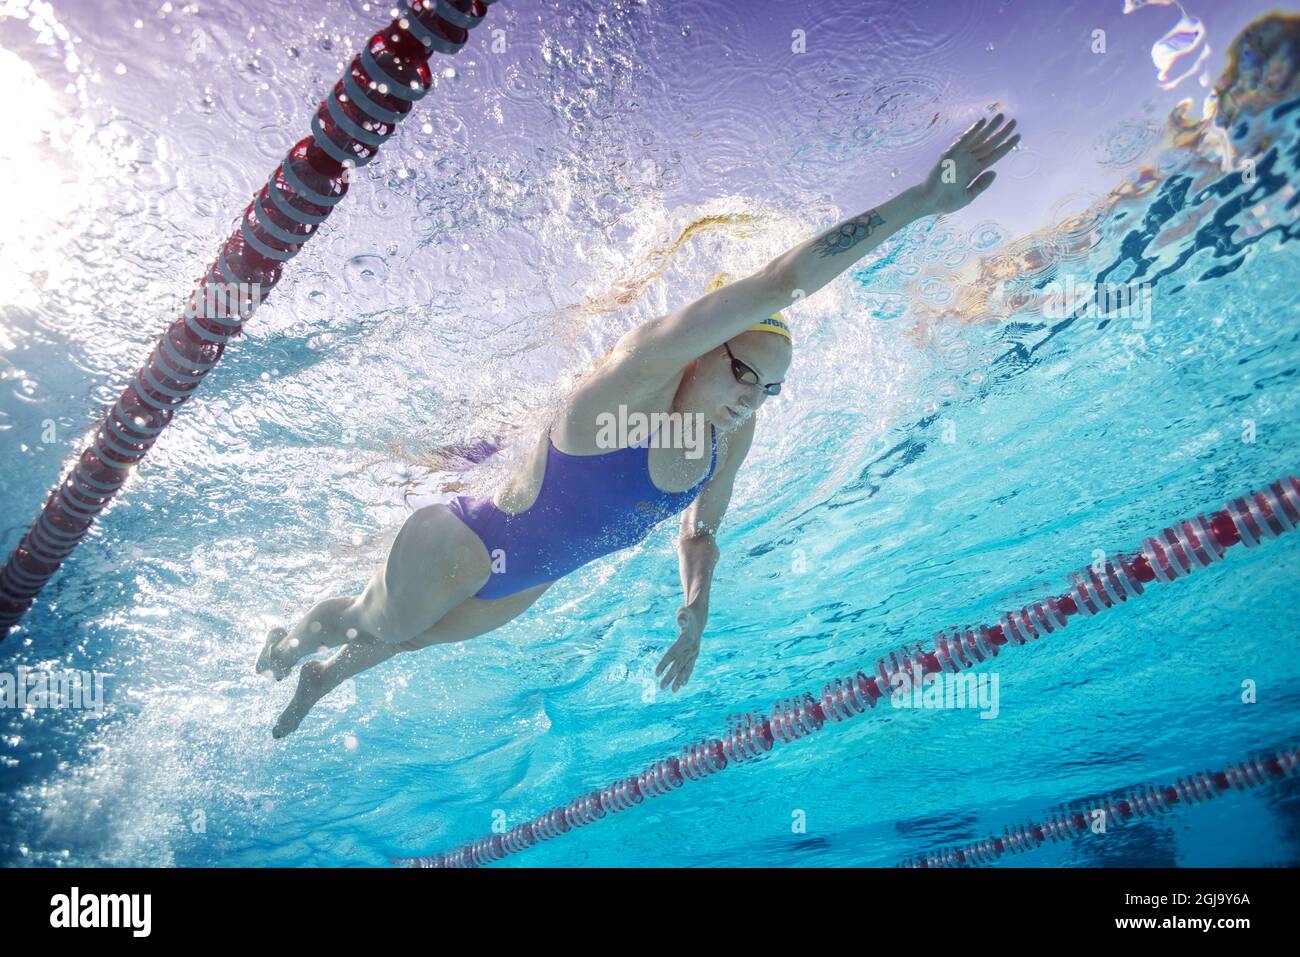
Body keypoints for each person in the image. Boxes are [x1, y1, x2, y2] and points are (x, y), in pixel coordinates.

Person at [258, 114, 1020, 737]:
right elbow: (784, 282)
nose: (752, 398)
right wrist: (921, 200)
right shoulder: (632, 376)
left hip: (522, 583)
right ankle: (294, 640)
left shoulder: (730, 431)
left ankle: (322, 678)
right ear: (702, 350)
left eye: (770, 391)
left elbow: (701, 531)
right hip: (459, 544)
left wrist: (695, 610)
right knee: (375, 621)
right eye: (743, 373)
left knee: (406, 639)